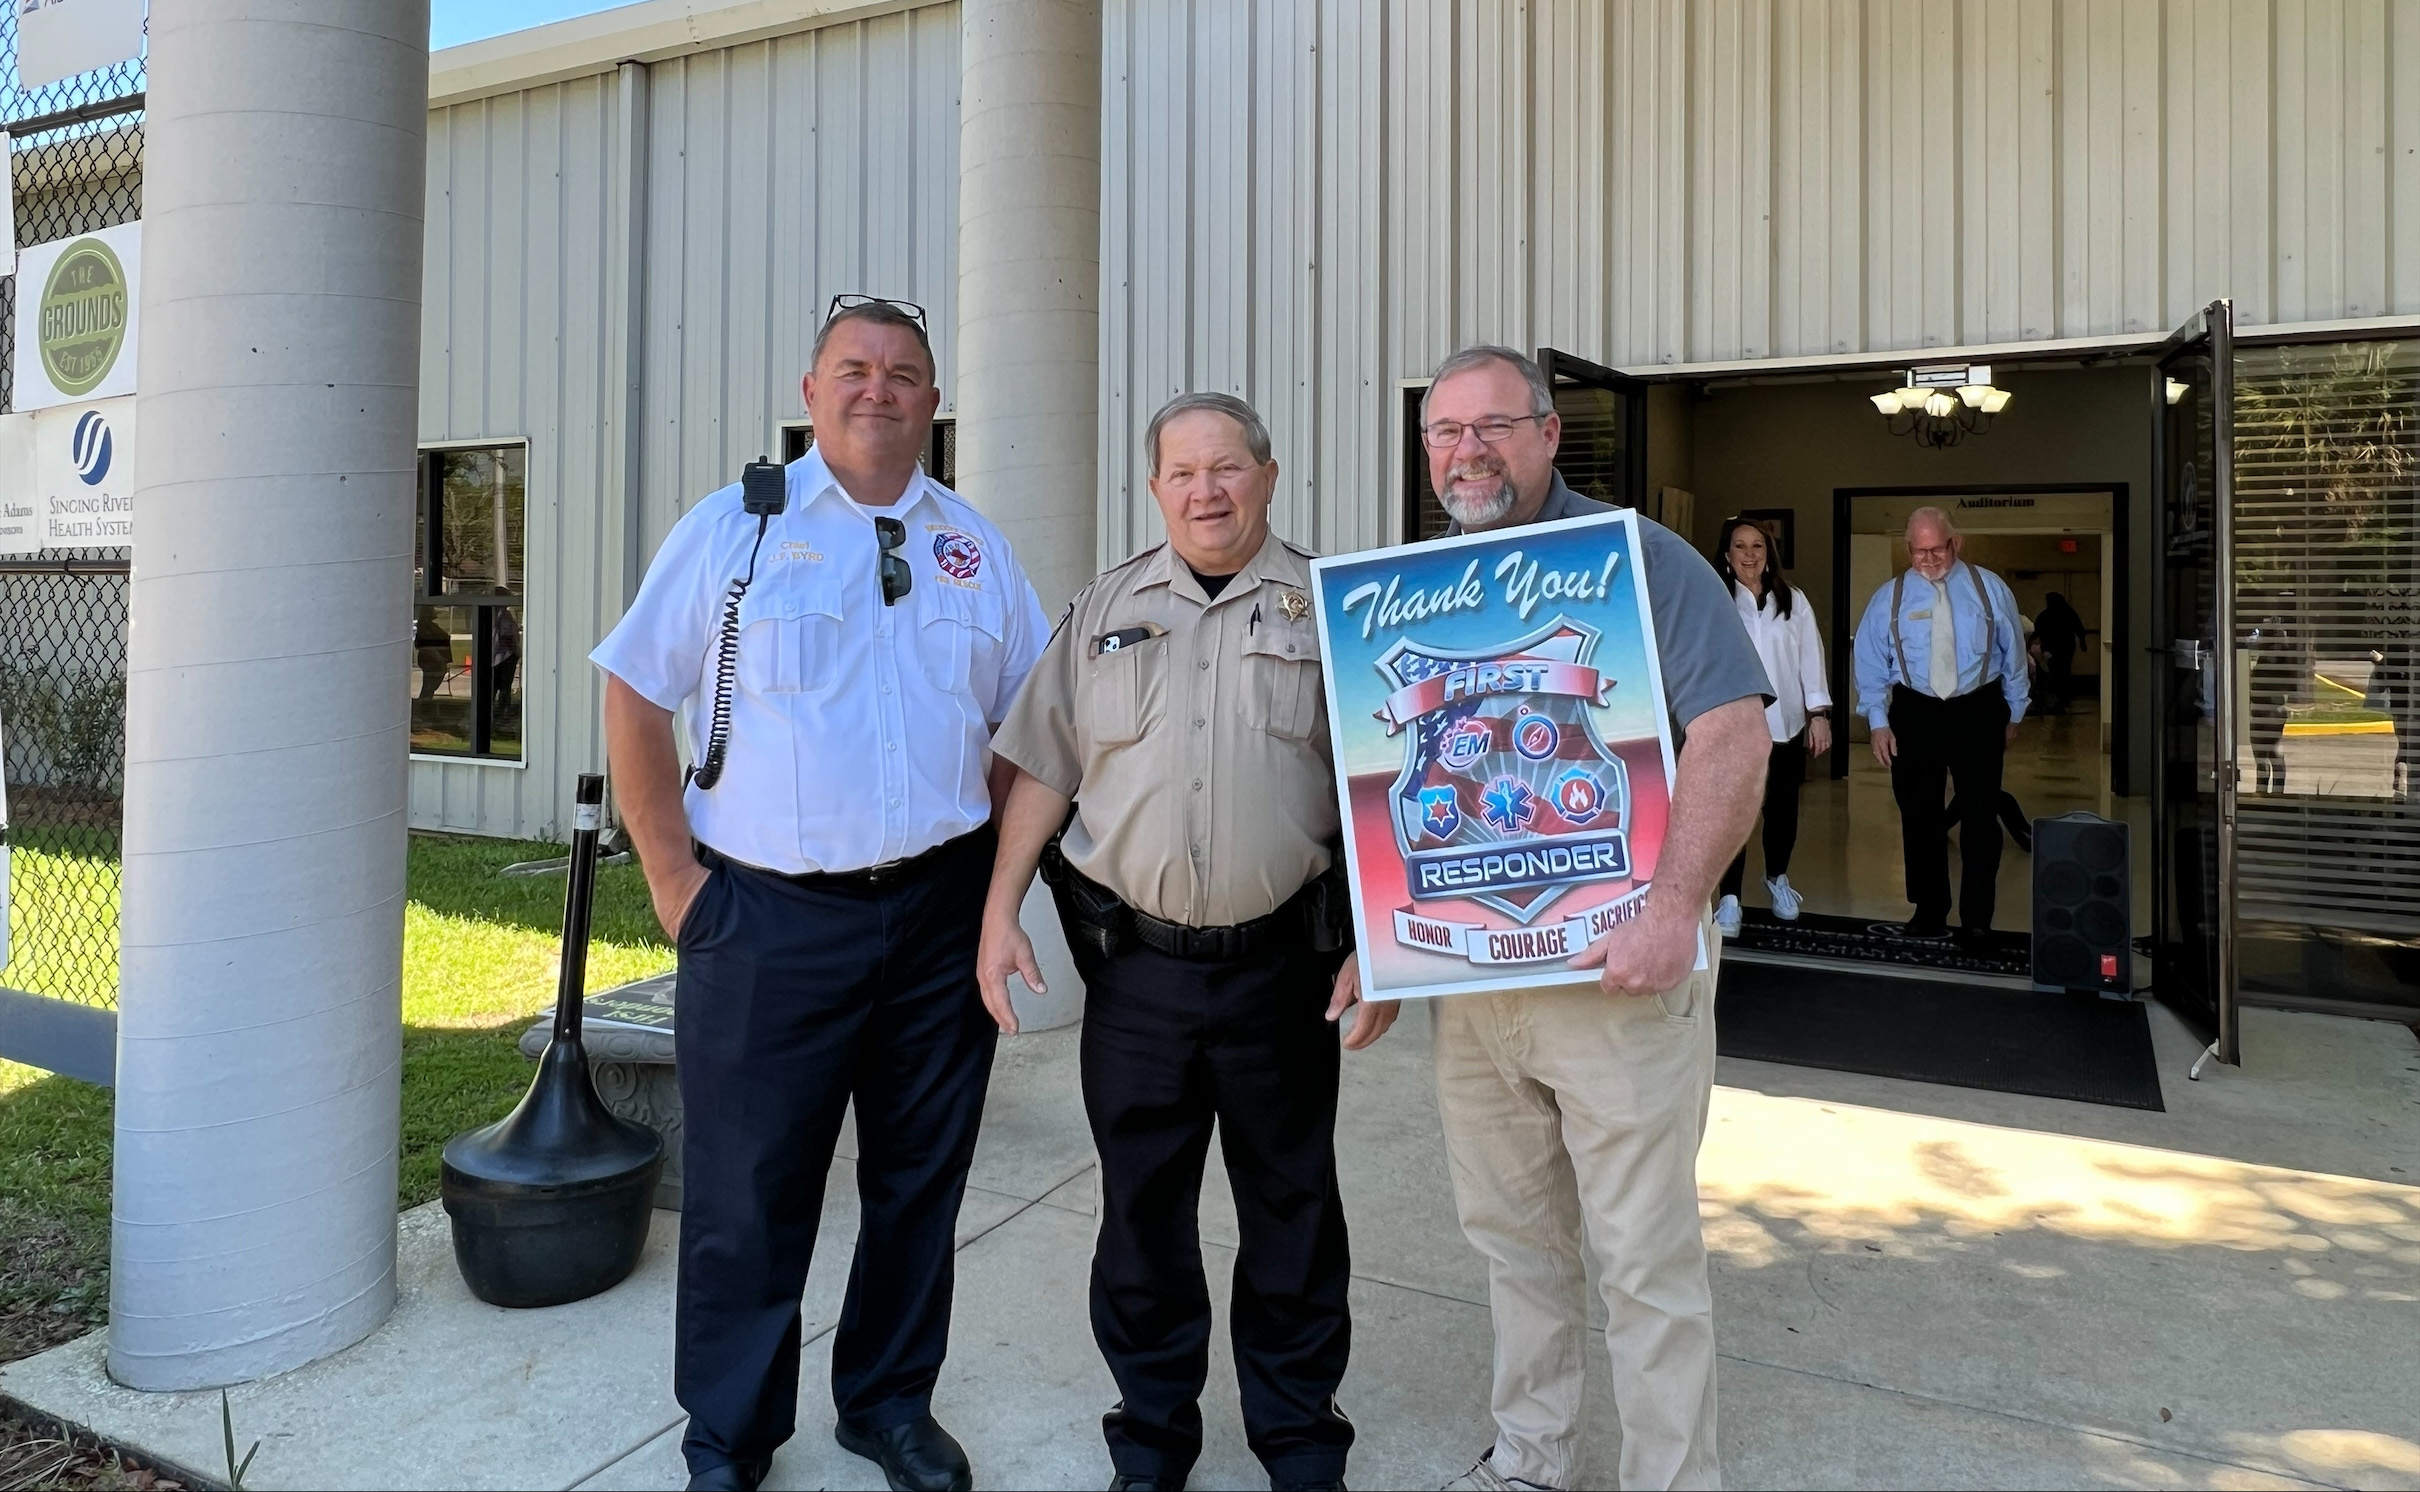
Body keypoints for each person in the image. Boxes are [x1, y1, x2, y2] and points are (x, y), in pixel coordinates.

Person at [592, 298, 1046, 1492]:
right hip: (766, 922)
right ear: (810, 390)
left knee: (918, 1180)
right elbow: (634, 693)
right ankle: (728, 1437)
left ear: (932, 400)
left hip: (937, 914)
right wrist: (674, 882)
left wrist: (990, 884)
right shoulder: (734, 530)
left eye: (902, 373)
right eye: (853, 368)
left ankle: (887, 1403)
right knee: (748, 1193)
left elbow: (1028, 722)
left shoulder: (974, 547)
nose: (876, 389)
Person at [977, 392, 1392, 1492]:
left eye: (1227, 468)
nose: (1206, 491)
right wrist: (999, 908)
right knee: (1141, 1213)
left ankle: (1299, 1441)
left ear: (1267, 475)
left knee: (1293, 1209)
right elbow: (1046, 765)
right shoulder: (1104, 609)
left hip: (1283, 971)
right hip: (1138, 977)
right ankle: (1153, 1438)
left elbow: (1386, 786)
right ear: (1155, 487)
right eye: (1182, 473)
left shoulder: (1333, 612)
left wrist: (1384, 940)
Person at [1417, 347, 1772, 1492]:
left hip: (1617, 973)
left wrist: (1675, 905)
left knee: (1642, 1260)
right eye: (1444, 432)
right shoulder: (1417, 587)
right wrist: (1379, 948)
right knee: (1511, 1242)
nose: (1467, 451)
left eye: (1492, 426)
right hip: (1473, 984)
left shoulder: (1639, 560)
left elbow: (1732, 733)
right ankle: (1532, 1459)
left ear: (1547, 433)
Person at [1852, 506, 2030, 946]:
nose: (1928, 559)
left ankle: (1977, 918)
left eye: (1937, 549)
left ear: (1957, 543)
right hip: (1915, 712)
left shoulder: (1990, 589)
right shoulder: (1889, 597)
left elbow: (2013, 654)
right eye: (1919, 551)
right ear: (1908, 548)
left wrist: (2015, 711)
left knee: (1980, 816)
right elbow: (1870, 663)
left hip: (1979, 708)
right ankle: (1929, 910)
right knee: (1919, 816)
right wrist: (1878, 721)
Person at [1710, 516, 1831, 937]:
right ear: (1727, 555)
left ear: (1768, 553)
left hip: (1786, 725)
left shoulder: (1793, 601)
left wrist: (1819, 714)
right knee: (1733, 817)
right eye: (1740, 546)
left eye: (1757, 546)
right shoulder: (1715, 600)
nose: (1749, 554)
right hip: (1733, 729)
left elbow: (1811, 658)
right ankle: (1729, 898)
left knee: (1782, 811)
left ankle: (1777, 878)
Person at [2033, 591, 2085, 714]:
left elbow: (2037, 630)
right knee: (2064, 672)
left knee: (2055, 672)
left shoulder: (2045, 615)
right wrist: (2083, 642)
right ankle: (2063, 699)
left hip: (2051, 649)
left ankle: (2058, 699)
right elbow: (2079, 627)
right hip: (2066, 648)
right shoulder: (2069, 613)